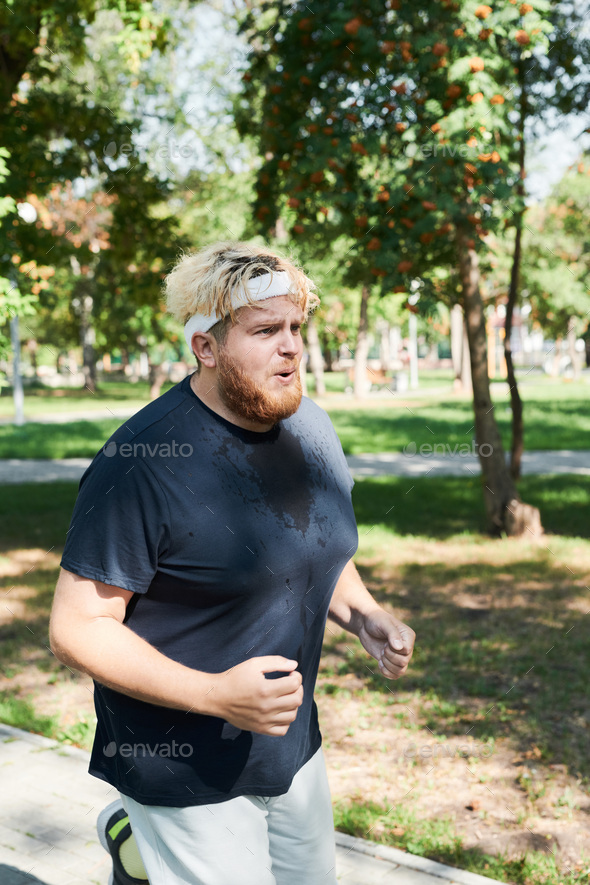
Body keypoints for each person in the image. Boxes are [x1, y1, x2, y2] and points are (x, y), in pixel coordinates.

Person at [49, 241, 415, 885]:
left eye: (296, 328)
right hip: (178, 763)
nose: (292, 347)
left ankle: (136, 853)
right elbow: (77, 628)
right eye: (266, 330)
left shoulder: (312, 430)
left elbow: (313, 549)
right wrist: (214, 696)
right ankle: (142, 838)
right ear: (207, 348)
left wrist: (363, 613)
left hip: (290, 747)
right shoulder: (140, 461)